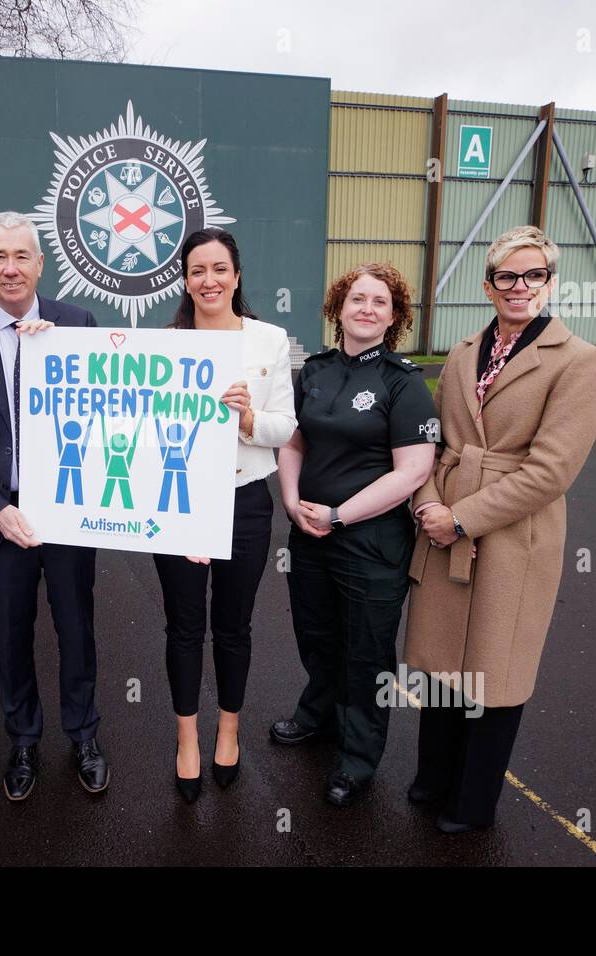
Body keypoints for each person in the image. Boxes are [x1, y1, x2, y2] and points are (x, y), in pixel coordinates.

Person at [404, 226, 596, 833]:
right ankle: (433, 777)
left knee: (495, 671)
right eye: (506, 277)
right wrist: (428, 502)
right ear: (488, 285)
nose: (519, 287)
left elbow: (551, 471)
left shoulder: (580, 361)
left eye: (533, 275)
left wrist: (462, 516)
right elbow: (431, 440)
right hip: (442, 519)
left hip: (511, 538)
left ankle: (473, 805)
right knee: (442, 663)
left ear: (549, 282)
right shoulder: (465, 352)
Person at [0, 211, 109, 801]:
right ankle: (24, 741)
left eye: (21, 256)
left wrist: (58, 352)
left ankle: (83, 734)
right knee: (10, 633)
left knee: (75, 627)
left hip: (68, 508)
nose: (11, 268)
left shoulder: (77, 322)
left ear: (40, 263)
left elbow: (112, 409)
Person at [269, 262, 436, 806]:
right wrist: (292, 502)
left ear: (394, 318)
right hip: (309, 534)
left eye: (379, 302)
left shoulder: (403, 381)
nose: (367, 308)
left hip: (370, 542)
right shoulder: (313, 371)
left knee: (365, 651)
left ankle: (358, 758)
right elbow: (294, 443)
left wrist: (340, 515)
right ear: (338, 308)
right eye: (357, 298)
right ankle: (316, 715)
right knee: (316, 634)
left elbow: (412, 471)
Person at [155, 227, 297, 804]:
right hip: (180, 500)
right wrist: (40, 338)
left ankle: (229, 729)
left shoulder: (268, 339)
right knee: (185, 625)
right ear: (185, 281)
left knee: (234, 626)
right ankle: (187, 736)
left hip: (245, 501)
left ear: (236, 277)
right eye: (196, 271)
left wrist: (245, 421)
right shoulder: (165, 344)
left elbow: (285, 427)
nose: (208, 280)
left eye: (219, 269)